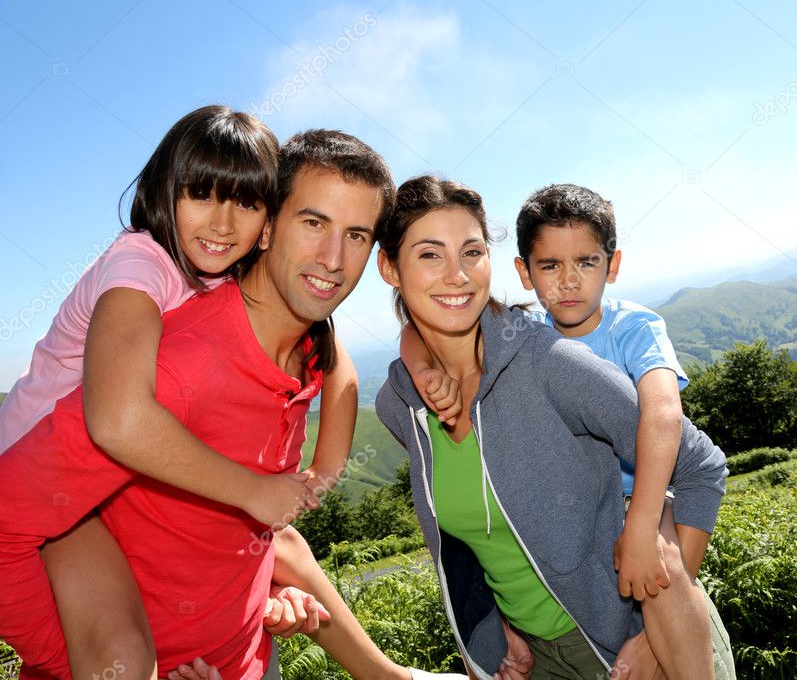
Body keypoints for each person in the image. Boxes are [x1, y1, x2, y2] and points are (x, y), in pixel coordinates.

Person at [0, 130, 463, 679]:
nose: (333, 258)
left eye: (356, 234)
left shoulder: (312, 350)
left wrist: (269, 571)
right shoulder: (167, 374)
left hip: (251, 660)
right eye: (313, 223)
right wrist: (78, 665)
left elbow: (331, 380)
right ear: (267, 229)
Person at [375, 175, 728, 679]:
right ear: (390, 267)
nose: (457, 274)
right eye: (430, 255)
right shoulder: (401, 403)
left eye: (472, 252)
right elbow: (470, 539)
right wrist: (494, 629)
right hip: (531, 664)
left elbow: (698, 465)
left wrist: (652, 631)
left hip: (633, 651)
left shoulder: (551, 362)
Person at [512, 184, 736, 678]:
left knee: (661, 558)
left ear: (611, 266)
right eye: (549, 265)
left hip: (650, 497)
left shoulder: (632, 327)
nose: (568, 281)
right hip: (582, 516)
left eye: (586, 262)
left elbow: (662, 413)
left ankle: (653, 645)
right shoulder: (523, 340)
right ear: (524, 273)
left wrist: (640, 523)